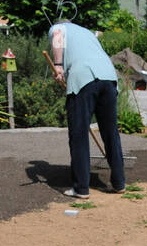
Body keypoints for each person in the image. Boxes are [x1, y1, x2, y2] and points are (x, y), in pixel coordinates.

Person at [50, 20, 125, 197]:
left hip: (83, 78)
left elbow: (57, 35)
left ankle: (81, 188)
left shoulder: (59, 27)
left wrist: (58, 66)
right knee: (110, 132)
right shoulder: (87, 32)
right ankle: (119, 183)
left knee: (79, 134)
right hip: (109, 77)